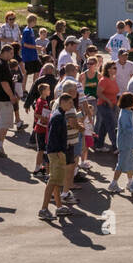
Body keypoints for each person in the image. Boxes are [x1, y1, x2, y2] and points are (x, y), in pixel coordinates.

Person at [39, 92, 79, 220]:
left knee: (56, 180)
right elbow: (52, 136)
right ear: (62, 102)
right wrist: (58, 151)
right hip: (56, 152)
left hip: (56, 152)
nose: (71, 105)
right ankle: (44, 209)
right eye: (69, 103)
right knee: (53, 181)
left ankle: (59, 206)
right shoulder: (58, 117)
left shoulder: (59, 114)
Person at [110, 92, 133, 194]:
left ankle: (130, 182)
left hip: (127, 143)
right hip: (125, 143)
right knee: (121, 164)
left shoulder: (127, 112)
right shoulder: (125, 114)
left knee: (130, 163)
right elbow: (127, 129)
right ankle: (113, 183)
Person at [94, 61, 120, 152]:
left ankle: (99, 145)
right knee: (111, 125)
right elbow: (98, 93)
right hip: (104, 105)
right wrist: (108, 100)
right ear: (108, 69)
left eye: (116, 68)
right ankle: (115, 147)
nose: (116, 69)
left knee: (104, 126)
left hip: (112, 106)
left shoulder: (113, 78)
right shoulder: (104, 80)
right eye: (114, 68)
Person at [20, 15, 41, 88]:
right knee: (26, 73)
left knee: (37, 70)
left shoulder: (31, 30)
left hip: (33, 55)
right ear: (32, 21)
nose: (35, 23)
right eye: (35, 21)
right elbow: (25, 44)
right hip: (28, 56)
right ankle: (23, 89)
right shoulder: (26, 31)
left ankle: (34, 87)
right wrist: (36, 47)